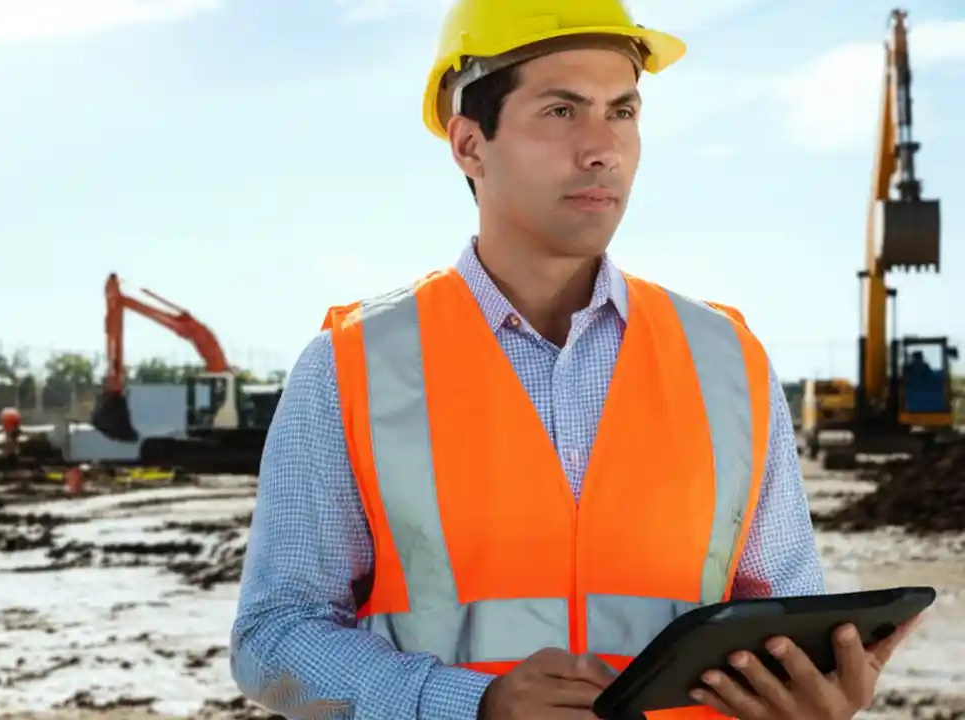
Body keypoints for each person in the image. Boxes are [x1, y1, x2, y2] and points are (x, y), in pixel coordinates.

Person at [229, 2, 923, 719]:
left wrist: (814, 692)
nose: (603, 149)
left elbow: (787, 614)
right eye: (562, 111)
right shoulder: (351, 366)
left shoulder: (728, 362)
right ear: (470, 144)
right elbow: (275, 636)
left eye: (622, 112)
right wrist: (471, 704)